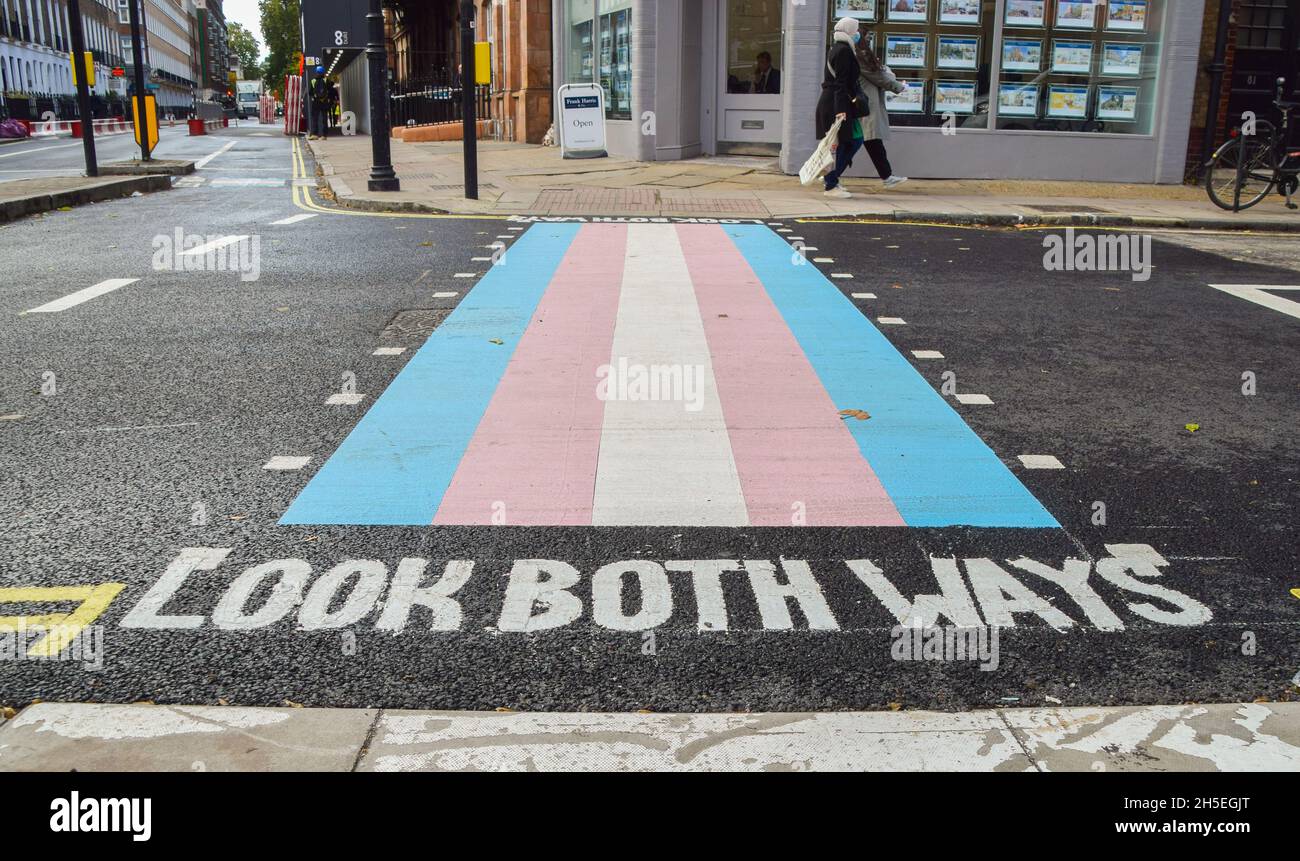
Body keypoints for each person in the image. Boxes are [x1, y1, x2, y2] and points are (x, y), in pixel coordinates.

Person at [815, 17, 869, 198]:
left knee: (849, 140)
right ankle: (831, 185)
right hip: (836, 104)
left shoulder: (837, 48)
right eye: (856, 30)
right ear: (849, 31)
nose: (858, 33)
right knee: (842, 143)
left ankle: (832, 178)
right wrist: (840, 110)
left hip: (834, 102)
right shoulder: (844, 51)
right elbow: (840, 84)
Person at [856, 40, 909, 189]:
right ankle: (830, 175)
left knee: (871, 142)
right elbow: (879, 78)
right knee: (856, 143)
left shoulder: (858, 56)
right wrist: (899, 86)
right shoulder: (860, 57)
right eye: (867, 38)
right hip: (865, 105)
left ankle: (887, 176)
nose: (870, 41)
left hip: (865, 104)